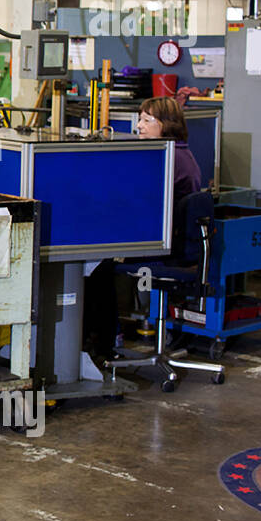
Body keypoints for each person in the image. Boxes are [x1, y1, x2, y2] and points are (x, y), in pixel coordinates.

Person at [84, 95, 203, 357]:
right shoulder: (180, 153)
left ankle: (104, 343)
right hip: (176, 243)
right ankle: (106, 336)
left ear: (167, 125)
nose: (139, 126)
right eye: (140, 119)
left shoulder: (168, 159)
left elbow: (139, 202)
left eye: (147, 120)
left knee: (92, 267)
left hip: (165, 249)